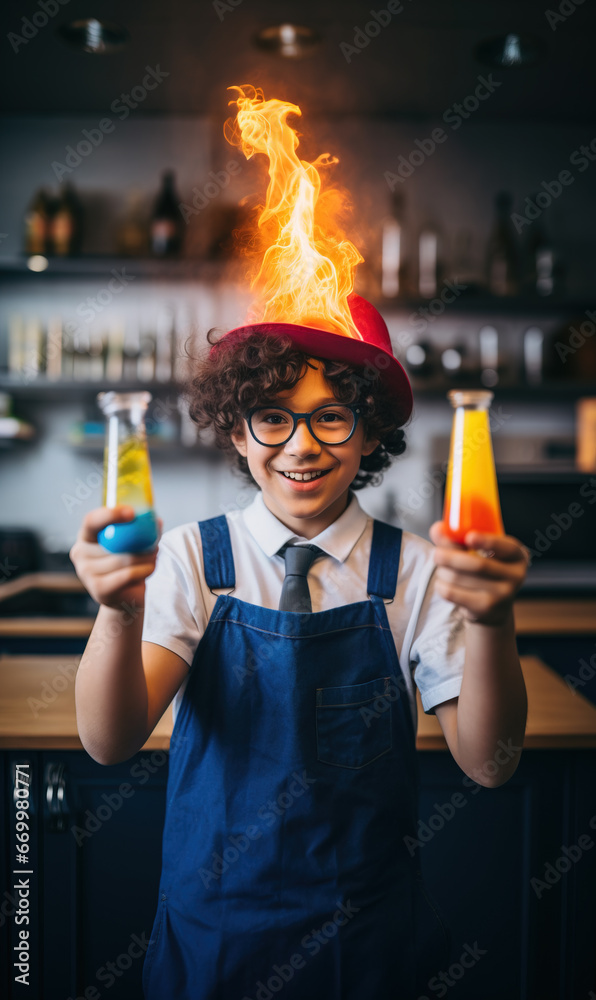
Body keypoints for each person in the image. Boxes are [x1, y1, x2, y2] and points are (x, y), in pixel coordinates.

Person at [70, 294, 529, 1000]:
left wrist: (495, 624)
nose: (301, 444)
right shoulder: (190, 559)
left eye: (332, 417)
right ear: (240, 433)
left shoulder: (418, 570)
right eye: (274, 417)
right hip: (214, 934)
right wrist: (118, 609)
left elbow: (491, 765)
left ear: (370, 432)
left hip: (368, 943)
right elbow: (110, 742)